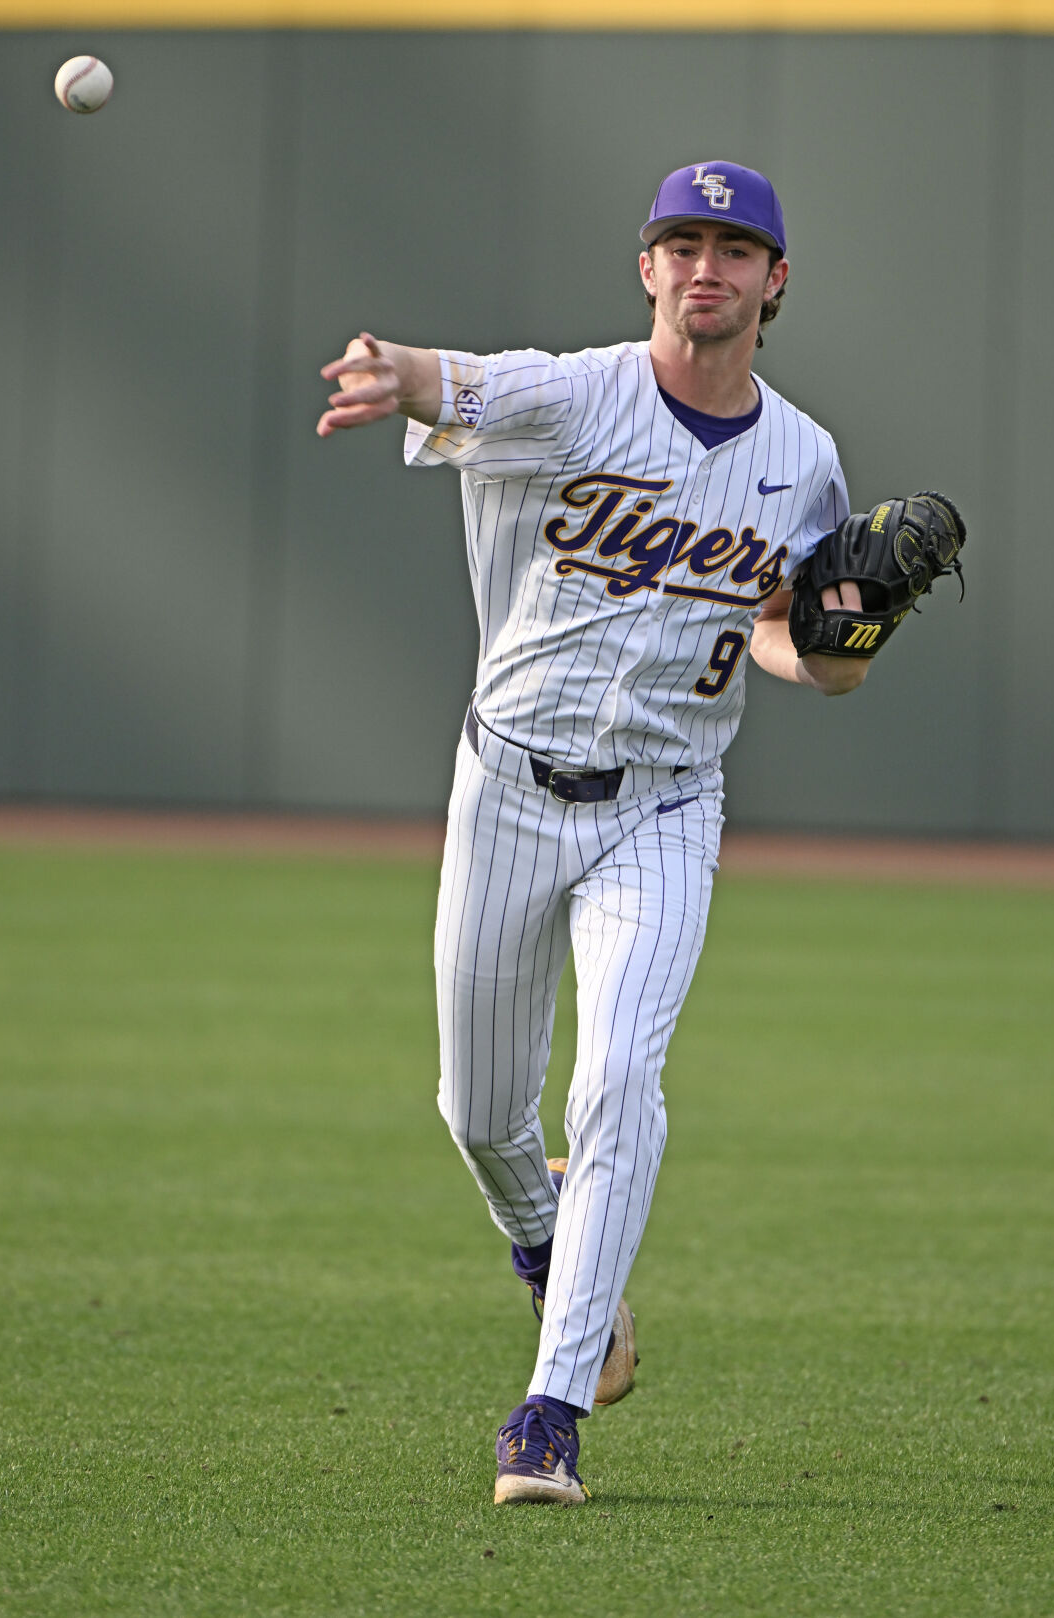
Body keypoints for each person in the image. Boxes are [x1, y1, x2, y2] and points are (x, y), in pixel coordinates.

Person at [316, 162, 869, 1506]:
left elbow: (809, 651)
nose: (706, 267)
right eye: (682, 241)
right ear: (646, 267)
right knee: (477, 1108)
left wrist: (849, 636)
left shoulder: (805, 462)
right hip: (506, 786)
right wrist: (397, 371)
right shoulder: (577, 393)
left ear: (774, 280)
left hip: (667, 806)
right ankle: (541, 1235)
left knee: (620, 1077)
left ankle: (550, 1409)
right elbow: (464, 384)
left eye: (735, 248)